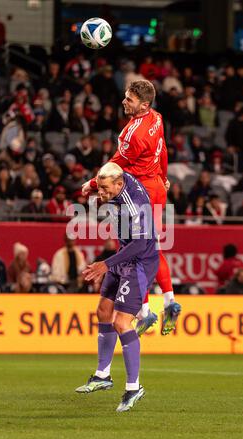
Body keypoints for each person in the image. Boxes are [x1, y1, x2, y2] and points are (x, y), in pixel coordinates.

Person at [82, 80, 181, 336]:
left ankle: (144, 312)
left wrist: (93, 183)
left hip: (138, 194)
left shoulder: (131, 135)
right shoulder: (157, 118)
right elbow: (162, 150)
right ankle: (170, 301)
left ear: (143, 104)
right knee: (153, 247)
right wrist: (163, 176)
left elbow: (116, 167)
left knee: (132, 249)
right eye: (125, 97)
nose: (124, 102)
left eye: (129, 99)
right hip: (157, 187)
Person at [76, 163, 159, 412]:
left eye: (104, 189)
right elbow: (121, 162)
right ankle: (103, 375)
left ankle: (134, 388)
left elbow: (140, 244)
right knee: (103, 310)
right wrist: (91, 184)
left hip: (140, 261)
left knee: (122, 322)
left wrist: (105, 264)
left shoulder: (133, 206)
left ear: (119, 184)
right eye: (99, 188)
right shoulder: (119, 180)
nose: (100, 194)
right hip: (123, 254)